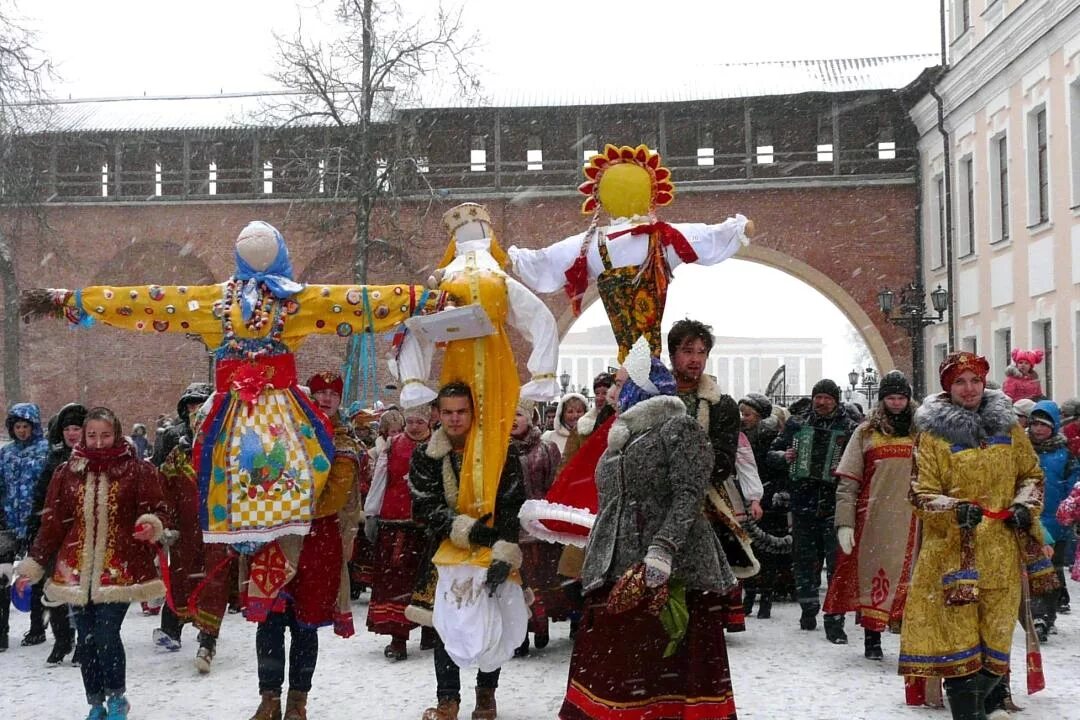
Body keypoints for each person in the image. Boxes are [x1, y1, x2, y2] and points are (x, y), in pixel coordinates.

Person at [559, 340, 738, 720]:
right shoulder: (620, 437)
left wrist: (664, 548)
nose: (612, 389)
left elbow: (689, 494)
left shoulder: (678, 427)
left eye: (622, 382)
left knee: (662, 669)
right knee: (615, 666)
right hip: (617, 566)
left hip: (669, 570)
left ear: (644, 386)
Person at [898, 352, 1044, 720]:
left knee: (996, 642)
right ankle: (969, 712)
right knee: (960, 647)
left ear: (984, 383)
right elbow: (920, 493)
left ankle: (985, 702)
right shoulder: (932, 436)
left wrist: (1025, 506)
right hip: (953, 555)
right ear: (948, 387)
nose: (969, 389)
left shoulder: (1009, 429)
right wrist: (954, 508)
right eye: (960, 382)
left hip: (1001, 552)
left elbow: (1031, 475)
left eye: (975, 380)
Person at [15, 406, 169, 720]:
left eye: (106, 435)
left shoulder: (137, 470)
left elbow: (157, 508)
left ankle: (116, 699)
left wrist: (151, 523)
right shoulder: (65, 472)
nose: (98, 442)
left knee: (106, 634)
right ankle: (95, 702)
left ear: (117, 435)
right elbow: (54, 523)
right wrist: (34, 564)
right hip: (75, 568)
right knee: (86, 641)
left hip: (119, 568)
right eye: (92, 435)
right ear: (84, 436)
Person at [245, 370, 364, 720]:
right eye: (319, 393)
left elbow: (332, 499)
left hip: (318, 542)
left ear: (340, 401)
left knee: (305, 625)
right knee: (269, 622)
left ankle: (298, 701)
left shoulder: (344, 443)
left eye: (333, 395)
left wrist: (283, 499)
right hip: (277, 540)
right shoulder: (282, 432)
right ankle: (269, 699)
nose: (325, 399)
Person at [406, 382, 526, 720]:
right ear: (437, 414)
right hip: (445, 549)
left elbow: (512, 503)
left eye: (462, 411)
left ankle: (486, 696)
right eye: (448, 412)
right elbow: (425, 506)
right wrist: (467, 530)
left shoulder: (502, 450)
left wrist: (503, 550)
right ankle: (448, 701)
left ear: (473, 412)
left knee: (494, 620)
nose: (455, 419)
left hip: (497, 545)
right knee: (447, 624)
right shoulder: (426, 453)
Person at [823, 370, 919, 662]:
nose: (896, 403)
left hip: (914, 519)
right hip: (874, 520)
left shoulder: (923, 431)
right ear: (881, 400)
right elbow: (848, 483)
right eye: (891, 397)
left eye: (901, 397)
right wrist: (845, 522)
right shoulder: (865, 432)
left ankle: (912, 638)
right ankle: (872, 638)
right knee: (873, 581)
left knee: (913, 581)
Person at [668, 320, 756, 633]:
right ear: (673, 354)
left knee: (700, 588)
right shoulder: (656, 398)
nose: (695, 358)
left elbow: (722, 460)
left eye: (701, 352)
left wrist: (686, 477)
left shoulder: (722, 405)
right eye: (687, 350)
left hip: (704, 503)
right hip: (658, 500)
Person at [769, 378, 858, 642]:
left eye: (827, 398)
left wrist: (844, 468)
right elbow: (771, 453)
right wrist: (785, 457)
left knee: (836, 562)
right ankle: (808, 608)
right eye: (818, 397)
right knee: (805, 560)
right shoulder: (798, 424)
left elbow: (859, 461)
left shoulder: (849, 428)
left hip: (835, 504)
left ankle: (835, 619)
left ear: (836, 400)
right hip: (803, 501)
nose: (822, 402)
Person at [151, 382, 226, 674]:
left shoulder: (226, 450)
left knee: (214, 582)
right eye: (192, 408)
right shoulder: (177, 454)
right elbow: (163, 489)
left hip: (219, 531)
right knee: (181, 579)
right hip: (185, 533)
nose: (197, 414)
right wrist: (165, 524)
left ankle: (207, 641)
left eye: (202, 408)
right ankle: (172, 630)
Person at [365, 403, 434, 661]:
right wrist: (372, 513)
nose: (414, 426)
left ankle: (430, 630)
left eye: (420, 422)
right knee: (396, 582)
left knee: (427, 579)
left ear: (429, 423)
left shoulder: (439, 445)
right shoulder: (393, 445)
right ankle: (399, 638)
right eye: (411, 421)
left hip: (427, 524)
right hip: (395, 524)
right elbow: (380, 480)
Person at [26, 402, 87, 664]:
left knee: (83, 593)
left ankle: (85, 641)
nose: (72, 433)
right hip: (57, 534)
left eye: (77, 428)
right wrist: (35, 527)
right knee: (55, 589)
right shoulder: (54, 461)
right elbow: (41, 498)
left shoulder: (95, 458)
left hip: (84, 535)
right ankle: (62, 639)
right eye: (68, 429)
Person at [510, 399, 563, 656]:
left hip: (540, 524)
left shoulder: (546, 448)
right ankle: (520, 634)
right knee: (517, 580)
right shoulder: (499, 449)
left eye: (518, 414)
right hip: (511, 526)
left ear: (529, 417)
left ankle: (541, 625)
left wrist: (550, 516)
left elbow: (555, 484)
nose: (512, 420)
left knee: (540, 578)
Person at [1026, 400, 1078, 641]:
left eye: (1043, 425)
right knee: (1035, 571)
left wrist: (1067, 514)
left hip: (1057, 524)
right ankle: (1037, 616)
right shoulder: (1022, 450)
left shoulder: (1065, 455)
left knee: (1053, 572)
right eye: (1034, 424)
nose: (1038, 429)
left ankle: (1047, 615)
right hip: (1028, 520)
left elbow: (1072, 486)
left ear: (1054, 427)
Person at [0, 402, 50, 651]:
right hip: (8, 523)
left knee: (35, 575)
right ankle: (2, 630)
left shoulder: (44, 451)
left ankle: (37, 626)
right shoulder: (6, 453)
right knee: (3, 576)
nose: (21, 431)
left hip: (36, 522)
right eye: (17, 426)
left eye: (25, 426)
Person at [738, 392, 792, 619]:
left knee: (766, 552)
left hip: (768, 500)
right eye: (741, 413)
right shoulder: (740, 437)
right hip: (747, 497)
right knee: (748, 550)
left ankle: (765, 600)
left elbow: (780, 469)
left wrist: (773, 493)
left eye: (747, 414)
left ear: (759, 416)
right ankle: (749, 598)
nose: (743, 417)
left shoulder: (771, 438)